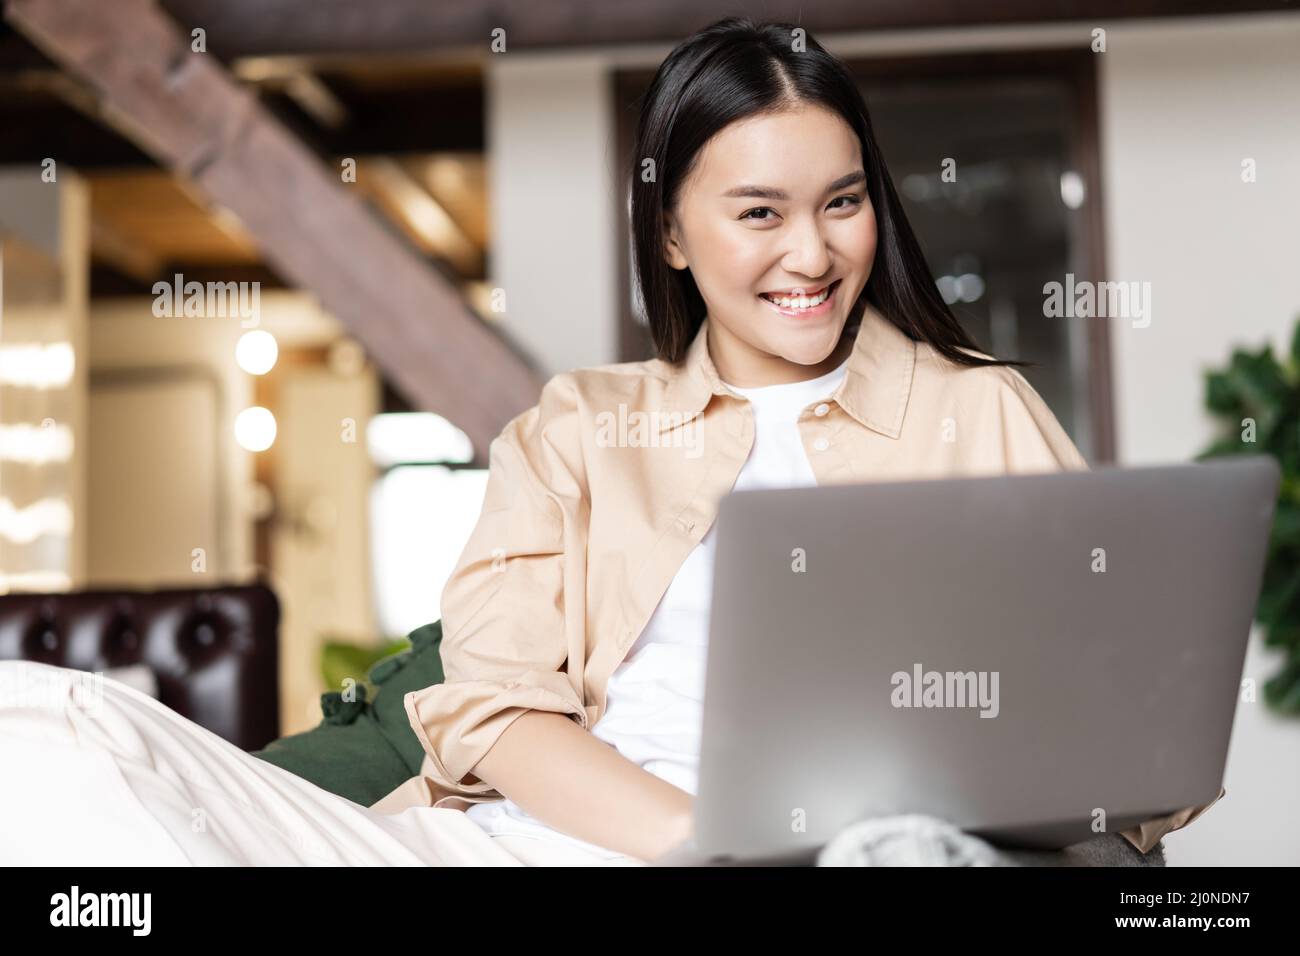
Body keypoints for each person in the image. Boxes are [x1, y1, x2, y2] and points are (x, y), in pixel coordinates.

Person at [0, 16, 1217, 867]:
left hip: (876, 851)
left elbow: (1128, 735)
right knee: (40, 724)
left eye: (841, 202)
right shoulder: (577, 427)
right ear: (674, 235)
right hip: (530, 846)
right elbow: (492, 712)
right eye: (758, 213)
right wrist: (711, 842)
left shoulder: (977, 408)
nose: (813, 254)